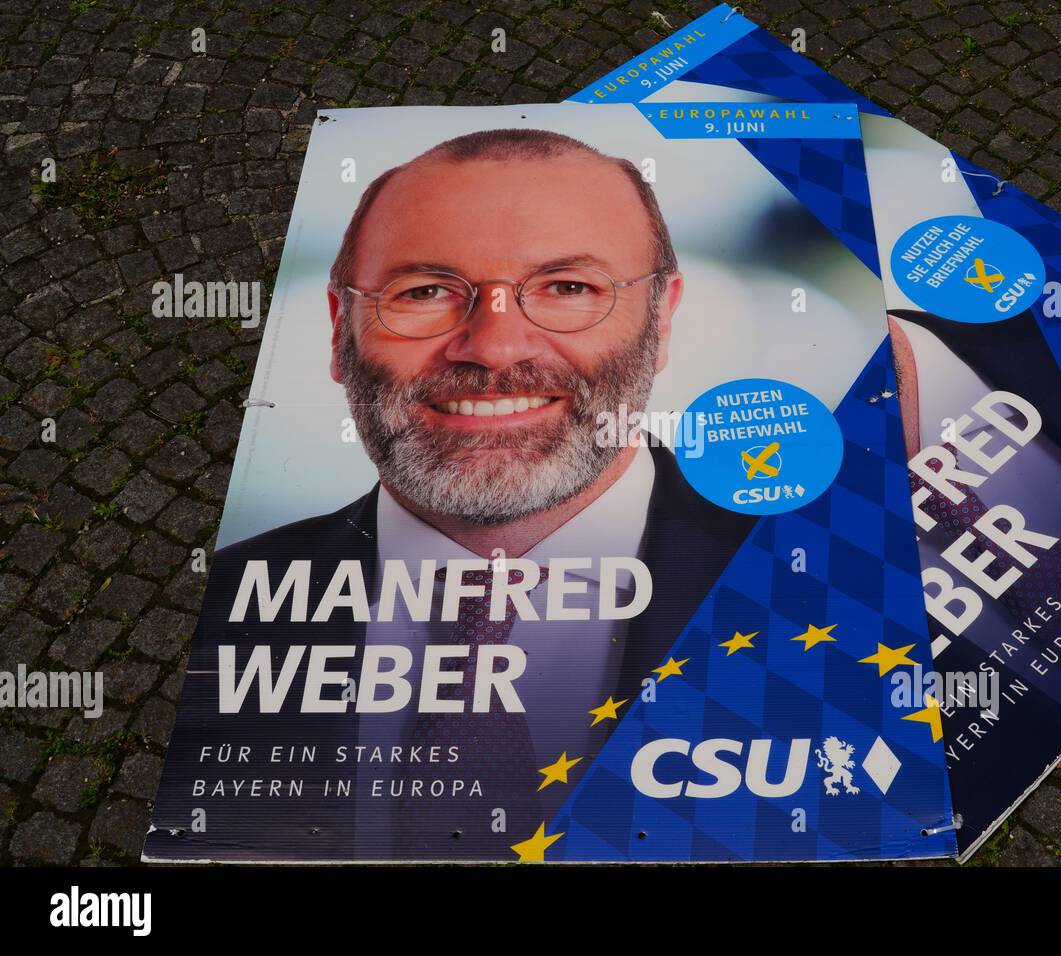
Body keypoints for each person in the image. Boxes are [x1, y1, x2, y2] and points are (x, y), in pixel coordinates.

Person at [148, 129, 756, 861]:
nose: (496, 349)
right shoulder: (215, 609)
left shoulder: (812, 583)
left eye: (568, 288)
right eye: (426, 291)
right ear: (341, 330)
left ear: (661, 321)